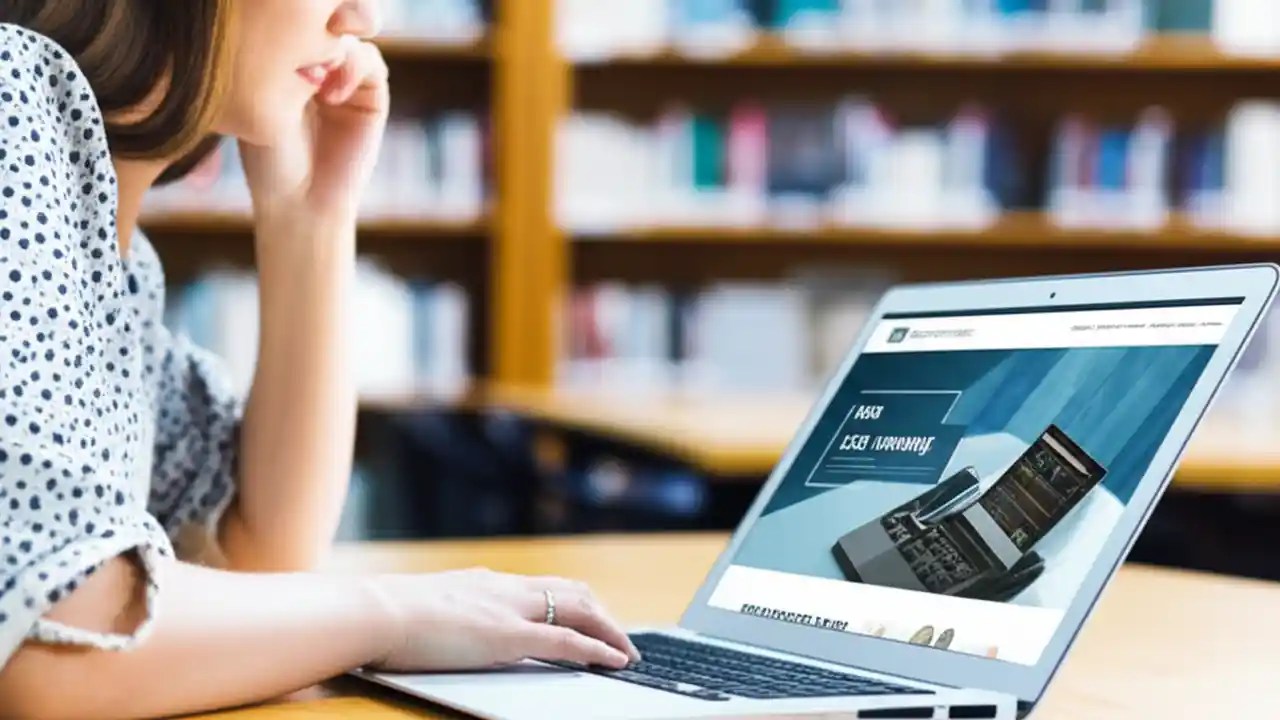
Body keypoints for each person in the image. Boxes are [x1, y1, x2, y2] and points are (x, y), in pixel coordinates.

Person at [0, 3, 639, 718]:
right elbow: (52, 637)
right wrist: (395, 615)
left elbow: (254, 552)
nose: (363, 15)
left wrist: (312, 215)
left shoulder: (117, 267)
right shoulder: (8, 87)